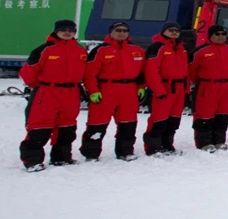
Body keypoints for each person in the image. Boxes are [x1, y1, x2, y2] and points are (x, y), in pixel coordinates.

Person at [19, 19, 88, 171]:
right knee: (40, 127)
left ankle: (61, 158)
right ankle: (32, 160)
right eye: (64, 29)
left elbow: (87, 73)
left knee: (67, 127)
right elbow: (29, 72)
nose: (67, 32)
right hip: (48, 92)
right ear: (56, 31)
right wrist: (39, 86)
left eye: (71, 30)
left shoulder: (80, 51)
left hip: (71, 92)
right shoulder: (44, 50)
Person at [82, 21, 145, 161]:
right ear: (111, 32)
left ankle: (125, 151)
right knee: (97, 123)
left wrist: (141, 87)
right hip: (106, 90)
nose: (121, 33)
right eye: (118, 30)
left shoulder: (137, 50)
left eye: (124, 30)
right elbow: (89, 73)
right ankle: (91, 153)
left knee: (128, 123)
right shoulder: (100, 50)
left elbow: (143, 72)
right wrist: (93, 91)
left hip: (129, 90)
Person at [187, 24, 228, 152]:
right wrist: (200, 82)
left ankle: (219, 141)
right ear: (210, 36)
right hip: (208, 86)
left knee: (224, 115)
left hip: (227, 87)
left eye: (223, 34)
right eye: (217, 34)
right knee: (205, 116)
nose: (221, 36)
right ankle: (204, 142)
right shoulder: (201, 51)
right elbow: (191, 69)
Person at [143, 22, 190, 156]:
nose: (174, 32)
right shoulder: (157, 48)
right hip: (165, 87)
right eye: (171, 30)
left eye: (176, 30)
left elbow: (186, 71)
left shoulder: (181, 48)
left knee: (173, 120)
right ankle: (153, 147)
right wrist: (158, 90)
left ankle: (167, 144)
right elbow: (151, 71)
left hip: (179, 88)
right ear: (164, 31)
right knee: (159, 119)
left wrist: (186, 91)